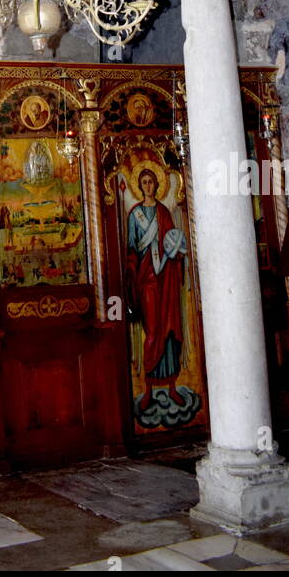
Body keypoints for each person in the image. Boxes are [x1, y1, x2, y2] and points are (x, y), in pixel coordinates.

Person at [126, 167, 187, 412]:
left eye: (152, 182)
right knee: (152, 332)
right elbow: (131, 247)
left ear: (157, 185)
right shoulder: (135, 215)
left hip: (166, 278)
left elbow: (173, 242)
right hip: (146, 280)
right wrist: (132, 270)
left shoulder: (163, 212)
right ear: (140, 186)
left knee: (169, 329)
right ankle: (149, 388)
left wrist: (178, 254)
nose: (149, 185)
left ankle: (172, 386)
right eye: (145, 182)